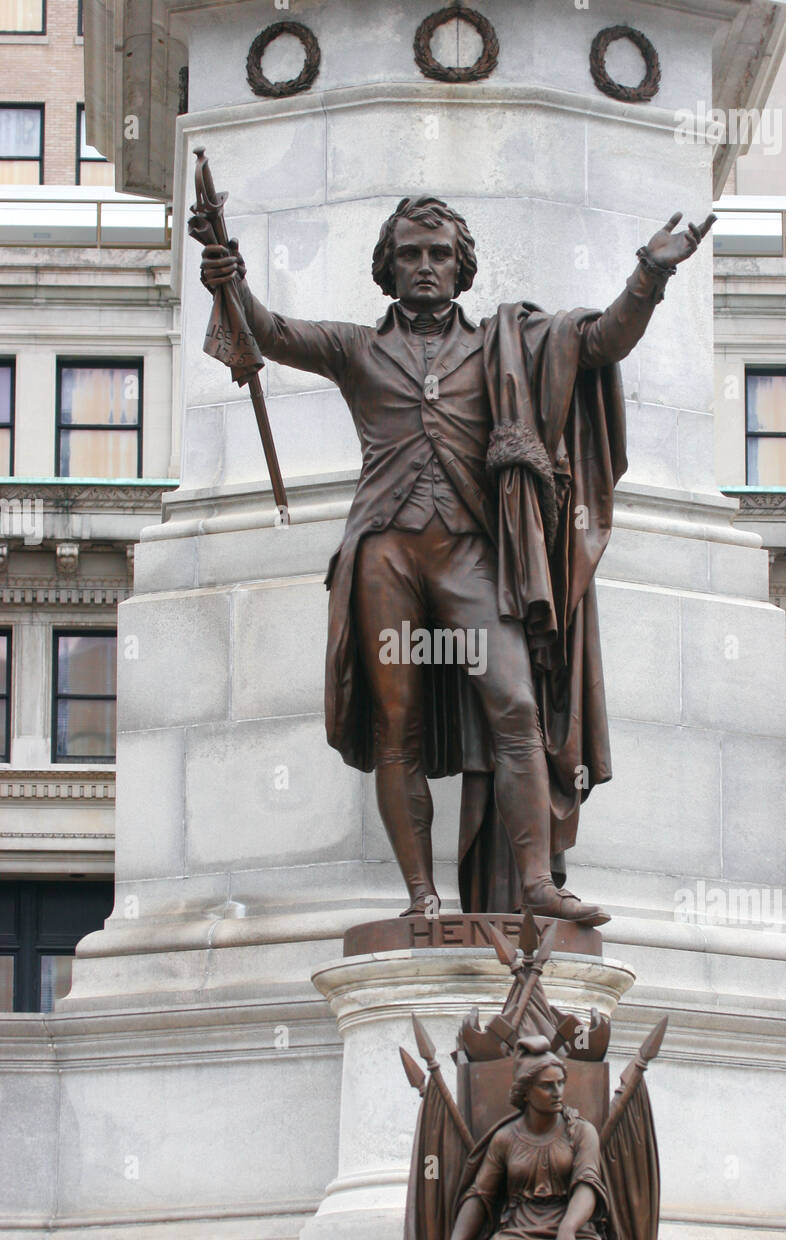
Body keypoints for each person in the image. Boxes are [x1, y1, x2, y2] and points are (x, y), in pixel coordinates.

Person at [200, 198, 714, 920]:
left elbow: (598, 342)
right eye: (410, 254)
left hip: (472, 559)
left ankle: (537, 882)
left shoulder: (509, 342)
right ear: (388, 267)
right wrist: (230, 277)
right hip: (386, 556)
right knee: (396, 725)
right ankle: (422, 897)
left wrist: (649, 274)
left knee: (515, 704)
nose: (425, 267)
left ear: (460, 265)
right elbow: (270, 332)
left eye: (439, 254)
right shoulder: (357, 349)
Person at [428, 1035, 624, 1240]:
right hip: (519, 1233)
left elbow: (587, 1185)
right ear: (526, 1091)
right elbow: (479, 1197)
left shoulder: (581, 1132)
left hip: (575, 1231)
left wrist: (568, 1228)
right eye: (547, 1086)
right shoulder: (505, 1138)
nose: (558, 1093)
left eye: (561, 1083)